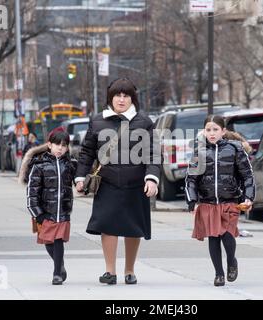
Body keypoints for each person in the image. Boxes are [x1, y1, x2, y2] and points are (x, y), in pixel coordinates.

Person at [75, 78, 161, 285]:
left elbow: (153, 153)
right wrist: (80, 176)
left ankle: (129, 270)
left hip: (136, 183)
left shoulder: (144, 122)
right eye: (117, 95)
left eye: (126, 96)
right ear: (110, 98)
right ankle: (109, 271)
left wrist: (152, 178)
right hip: (108, 183)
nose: (121, 100)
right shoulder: (97, 121)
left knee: (133, 228)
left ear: (132, 98)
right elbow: (87, 151)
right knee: (108, 226)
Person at [185, 115, 255, 287]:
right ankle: (219, 274)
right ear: (204, 131)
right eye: (208, 130)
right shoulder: (199, 152)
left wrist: (248, 196)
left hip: (230, 200)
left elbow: (247, 175)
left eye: (215, 129)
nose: (212, 133)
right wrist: (192, 200)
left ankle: (232, 261)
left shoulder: (235, 149)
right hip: (208, 202)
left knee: (227, 233)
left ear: (223, 131)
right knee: (213, 237)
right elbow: (191, 179)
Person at [19, 127, 76, 285]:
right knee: (48, 242)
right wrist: (37, 213)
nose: (60, 148)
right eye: (57, 144)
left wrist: (82, 184)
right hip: (45, 212)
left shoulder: (70, 165)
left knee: (58, 240)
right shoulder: (39, 165)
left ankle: (57, 272)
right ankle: (61, 265)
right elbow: (32, 191)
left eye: (64, 145)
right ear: (49, 145)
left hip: (63, 211)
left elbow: (79, 182)